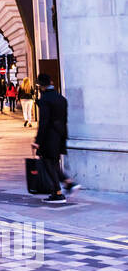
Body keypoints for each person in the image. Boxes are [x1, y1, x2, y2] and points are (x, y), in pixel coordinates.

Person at [33, 72, 77, 203]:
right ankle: (68, 184)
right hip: (60, 135)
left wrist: (37, 141)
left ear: (41, 86)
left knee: (48, 164)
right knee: (54, 163)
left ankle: (58, 193)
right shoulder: (61, 98)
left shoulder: (45, 99)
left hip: (49, 137)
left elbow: (44, 122)